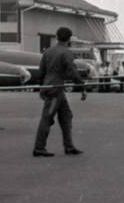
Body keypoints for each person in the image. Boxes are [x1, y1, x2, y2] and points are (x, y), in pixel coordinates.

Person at [33, 26, 86, 157]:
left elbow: (41, 71)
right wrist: (82, 86)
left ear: (56, 37)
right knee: (47, 117)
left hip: (53, 88)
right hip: (55, 89)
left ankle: (69, 146)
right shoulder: (66, 53)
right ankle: (39, 148)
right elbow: (73, 72)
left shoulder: (48, 52)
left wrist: (42, 87)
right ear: (69, 39)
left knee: (66, 116)